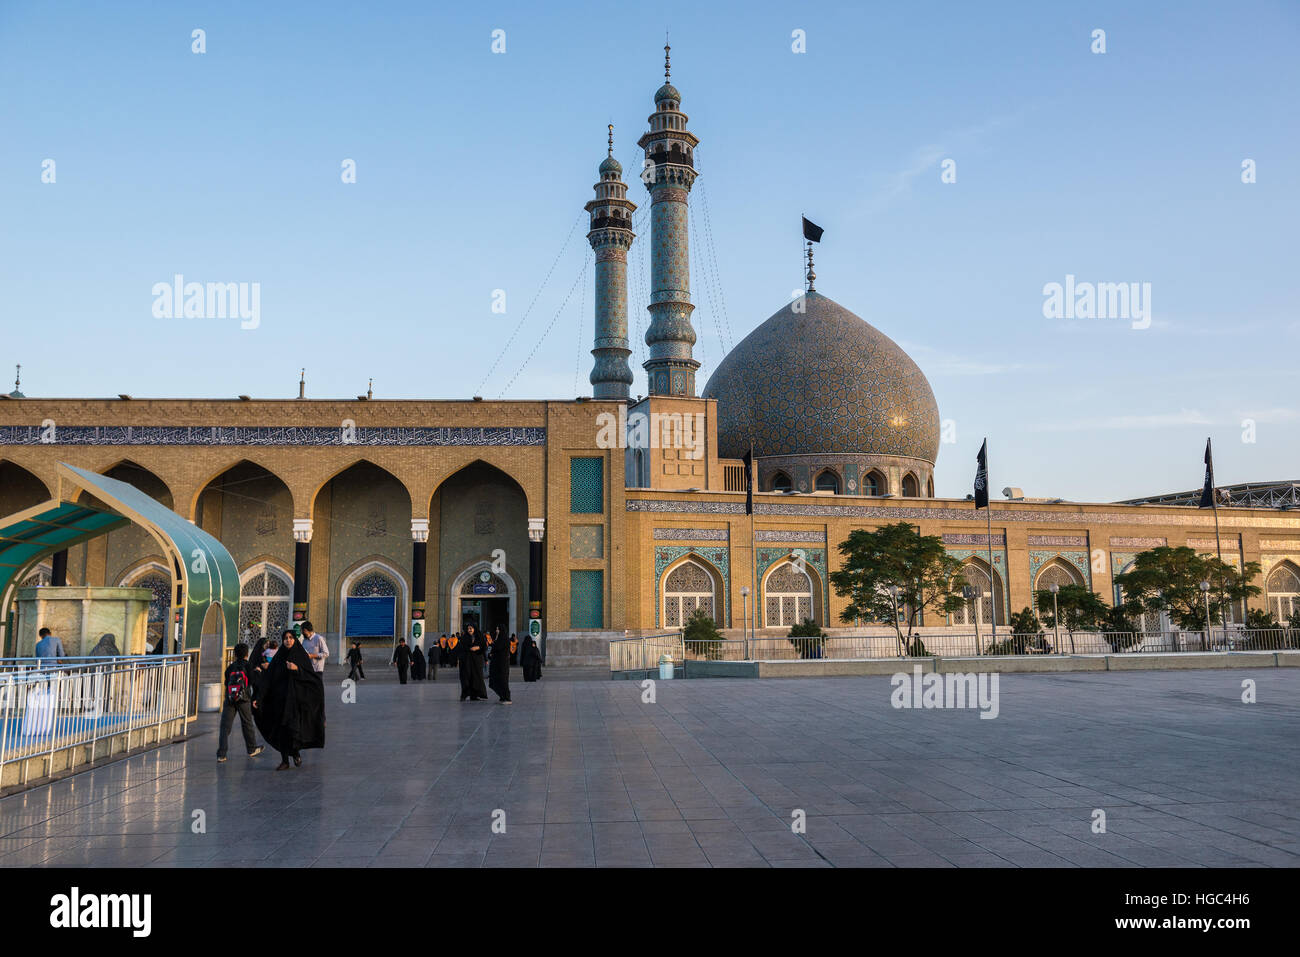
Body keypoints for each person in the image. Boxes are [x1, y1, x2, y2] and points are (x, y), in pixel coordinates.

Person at [253, 629, 325, 770]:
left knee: (292, 730)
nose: (288, 640)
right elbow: (268, 679)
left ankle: (295, 752)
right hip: (280, 701)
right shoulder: (279, 657)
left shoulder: (301, 656)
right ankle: (285, 760)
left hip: (295, 702)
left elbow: (311, 677)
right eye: (285, 638)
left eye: (291, 637)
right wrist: (259, 698)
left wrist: (296, 668)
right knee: (281, 730)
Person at [218, 644, 265, 762]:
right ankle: (251, 748)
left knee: (225, 726)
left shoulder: (230, 667)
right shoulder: (248, 665)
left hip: (230, 699)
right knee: (247, 723)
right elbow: (252, 680)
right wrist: (258, 672)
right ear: (246, 654)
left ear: (235, 654)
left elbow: (226, 683)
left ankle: (221, 754)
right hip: (243, 699)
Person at [457, 625, 487, 701]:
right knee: (466, 677)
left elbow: (484, 647)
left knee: (476, 677)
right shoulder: (464, 638)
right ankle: (464, 694)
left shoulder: (479, 637)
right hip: (466, 661)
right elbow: (461, 648)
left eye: (471, 628)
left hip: (477, 661)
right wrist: (469, 649)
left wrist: (478, 647)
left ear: (474, 629)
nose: (469, 630)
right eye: (468, 628)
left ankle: (474, 695)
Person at [488, 625, 512, 705]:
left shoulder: (504, 639)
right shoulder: (498, 639)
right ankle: (502, 696)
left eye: (498, 629)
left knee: (503, 680)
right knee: (495, 680)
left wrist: (494, 642)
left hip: (502, 664)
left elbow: (497, 648)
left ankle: (507, 698)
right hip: (496, 663)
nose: (497, 631)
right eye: (496, 629)